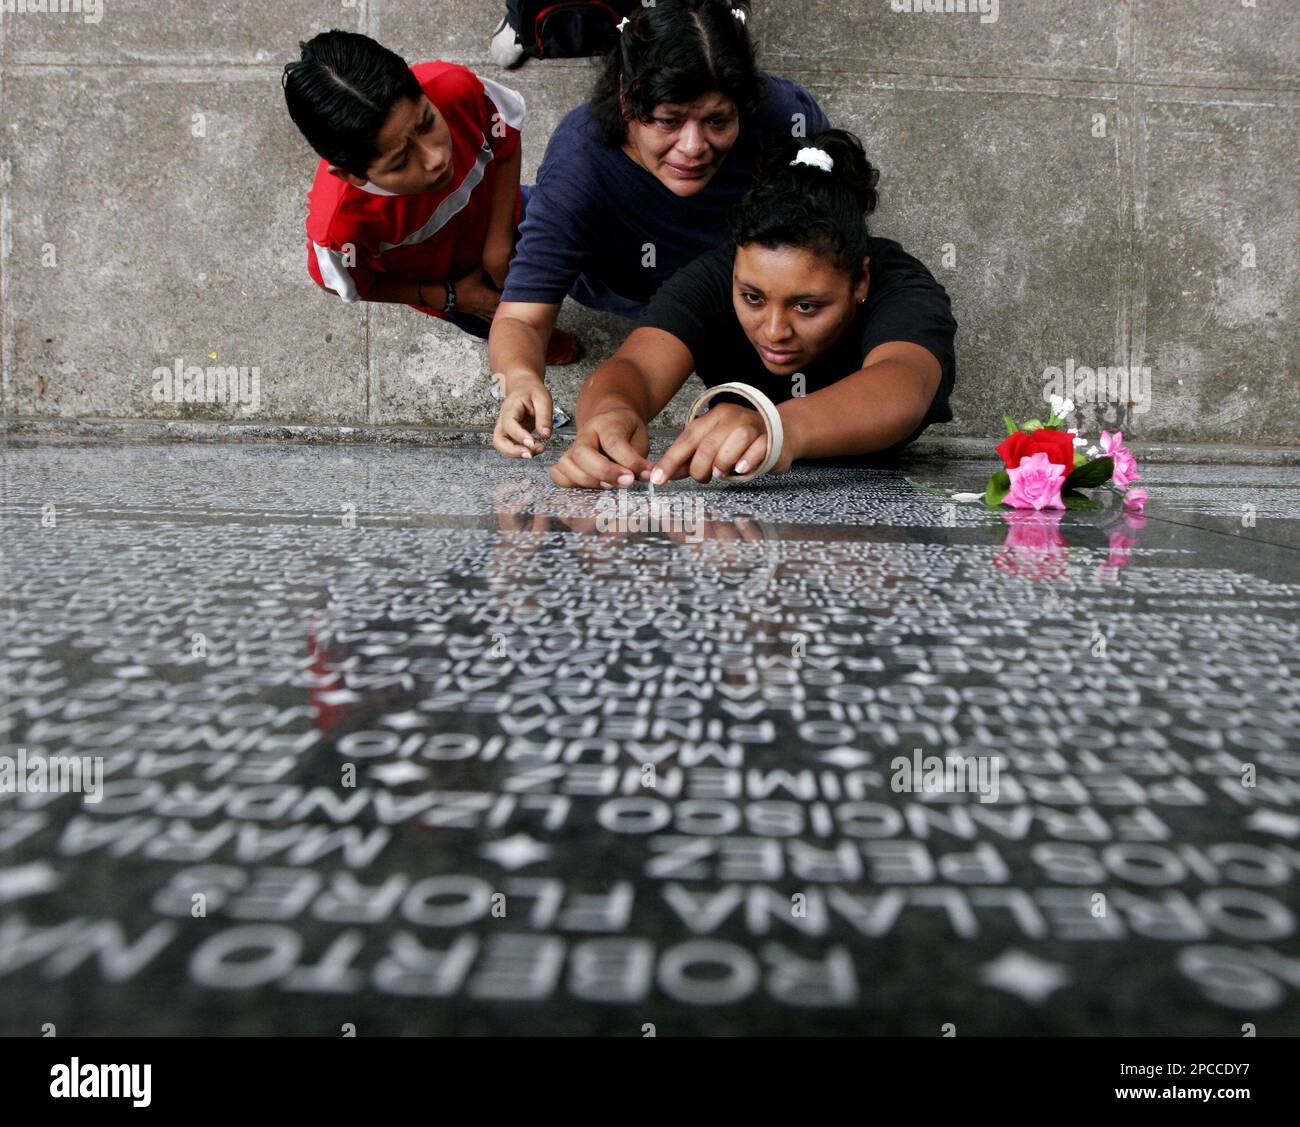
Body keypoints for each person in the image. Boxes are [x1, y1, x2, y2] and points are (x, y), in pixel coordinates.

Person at [489, 0, 829, 458]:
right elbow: (521, 317)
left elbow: (826, 218)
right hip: (624, 281)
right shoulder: (578, 169)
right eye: (668, 121)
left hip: (729, 285)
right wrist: (520, 378)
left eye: (717, 121)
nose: (693, 148)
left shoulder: (784, 118)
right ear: (626, 99)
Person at [548, 129, 957, 489]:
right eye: (753, 299)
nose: (775, 330)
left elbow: (905, 384)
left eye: (807, 306)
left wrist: (776, 426)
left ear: (860, 282)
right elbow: (636, 367)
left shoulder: (899, 284)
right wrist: (610, 417)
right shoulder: (714, 275)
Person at [283, 30, 579, 367]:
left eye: (426, 123)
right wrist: (448, 296)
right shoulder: (340, 229)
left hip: (507, 212)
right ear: (351, 175)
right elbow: (349, 283)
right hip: (455, 283)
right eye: (400, 161)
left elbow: (505, 139)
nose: (436, 157)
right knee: (511, 330)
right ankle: (542, 344)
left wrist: (498, 244)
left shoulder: (454, 86)